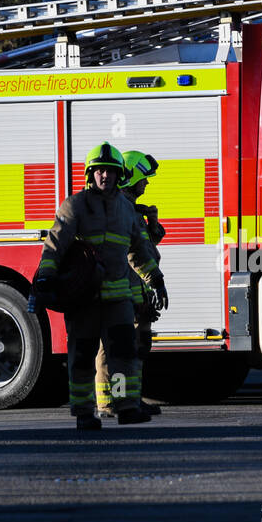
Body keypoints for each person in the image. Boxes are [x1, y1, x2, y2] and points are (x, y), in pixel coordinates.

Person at [32, 142, 167, 430]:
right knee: (82, 358)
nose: (104, 176)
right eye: (99, 171)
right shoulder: (75, 206)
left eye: (110, 171)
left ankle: (126, 406)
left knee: (123, 356)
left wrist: (156, 279)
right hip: (84, 300)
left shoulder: (126, 211)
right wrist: (45, 275)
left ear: (119, 175)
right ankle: (83, 413)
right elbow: (55, 246)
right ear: (90, 174)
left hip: (117, 300)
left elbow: (139, 251)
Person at [96, 151, 163, 418]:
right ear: (132, 176)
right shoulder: (118, 208)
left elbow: (145, 249)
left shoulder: (131, 209)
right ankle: (109, 403)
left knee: (136, 349)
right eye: (144, 178)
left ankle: (131, 398)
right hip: (122, 294)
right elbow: (128, 257)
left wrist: (152, 223)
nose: (146, 183)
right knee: (113, 350)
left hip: (137, 292)